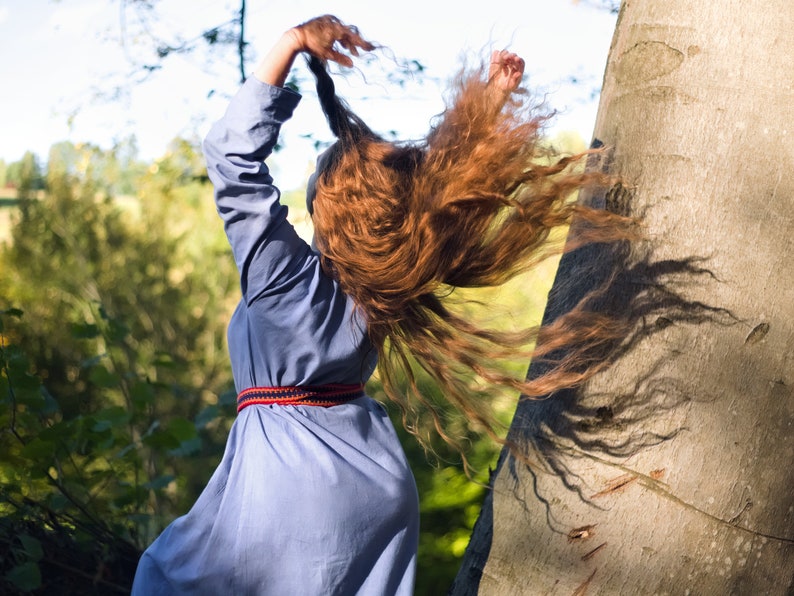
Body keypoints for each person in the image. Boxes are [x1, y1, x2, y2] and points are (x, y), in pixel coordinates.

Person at [133, 14, 633, 595]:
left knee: (164, 574)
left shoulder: (281, 279)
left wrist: (293, 42)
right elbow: (432, 199)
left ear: (326, 203)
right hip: (372, 483)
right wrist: (489, 105)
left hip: (292, 485)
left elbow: (231, 158)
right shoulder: (389, 282)